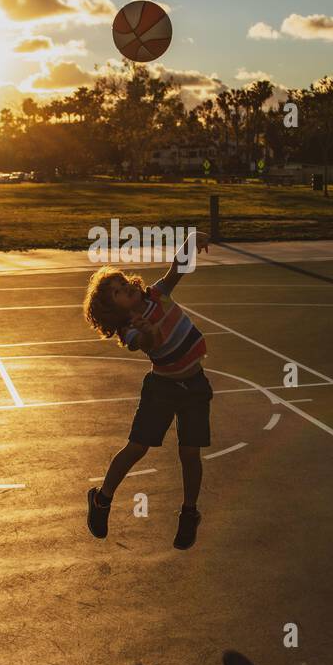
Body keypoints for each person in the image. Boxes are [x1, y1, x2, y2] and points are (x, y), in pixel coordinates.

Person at [82, 231, 211, 550]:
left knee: (190, 453)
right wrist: (150, 333)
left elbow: (176, 269)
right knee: (138, 447)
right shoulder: (130, 329)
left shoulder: (156, 294)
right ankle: (102, 500)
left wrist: (191, 241)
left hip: (195, 384)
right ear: (117, 311)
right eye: (117, 293)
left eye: (122, 282)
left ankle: (189, 513)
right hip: (163, 388)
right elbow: (146, 344)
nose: (124, 287)